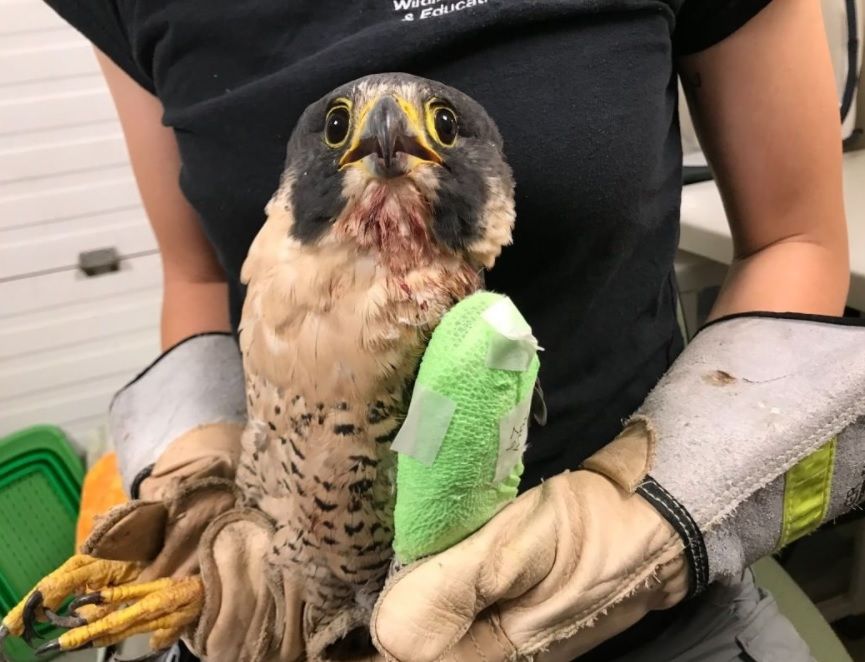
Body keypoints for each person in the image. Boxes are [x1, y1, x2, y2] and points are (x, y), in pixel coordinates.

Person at [40, 0, 851, 660]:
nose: (388, 133)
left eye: (439, 125)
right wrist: (205, 512)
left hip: (645, 621)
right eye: (338, 132)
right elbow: (197, 278)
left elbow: (797, 243)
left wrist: (650, 521)